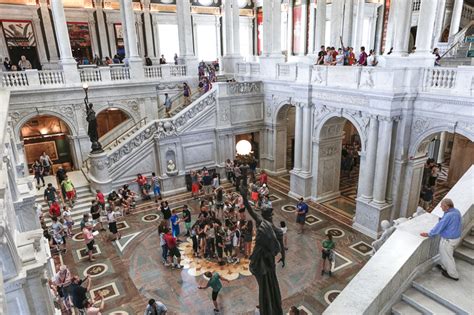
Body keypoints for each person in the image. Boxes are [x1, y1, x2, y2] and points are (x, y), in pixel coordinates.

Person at [420, 198, 462, 280]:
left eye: (442, 205)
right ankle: (444, 267)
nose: (440, 207)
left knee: (447, 257)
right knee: (443, 254)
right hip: (455, 237)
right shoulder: (456, 211)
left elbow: (439, 226)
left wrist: (429, 234)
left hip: (449, 239)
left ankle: (453, 275)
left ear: (446, 206)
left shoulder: (448, 215)